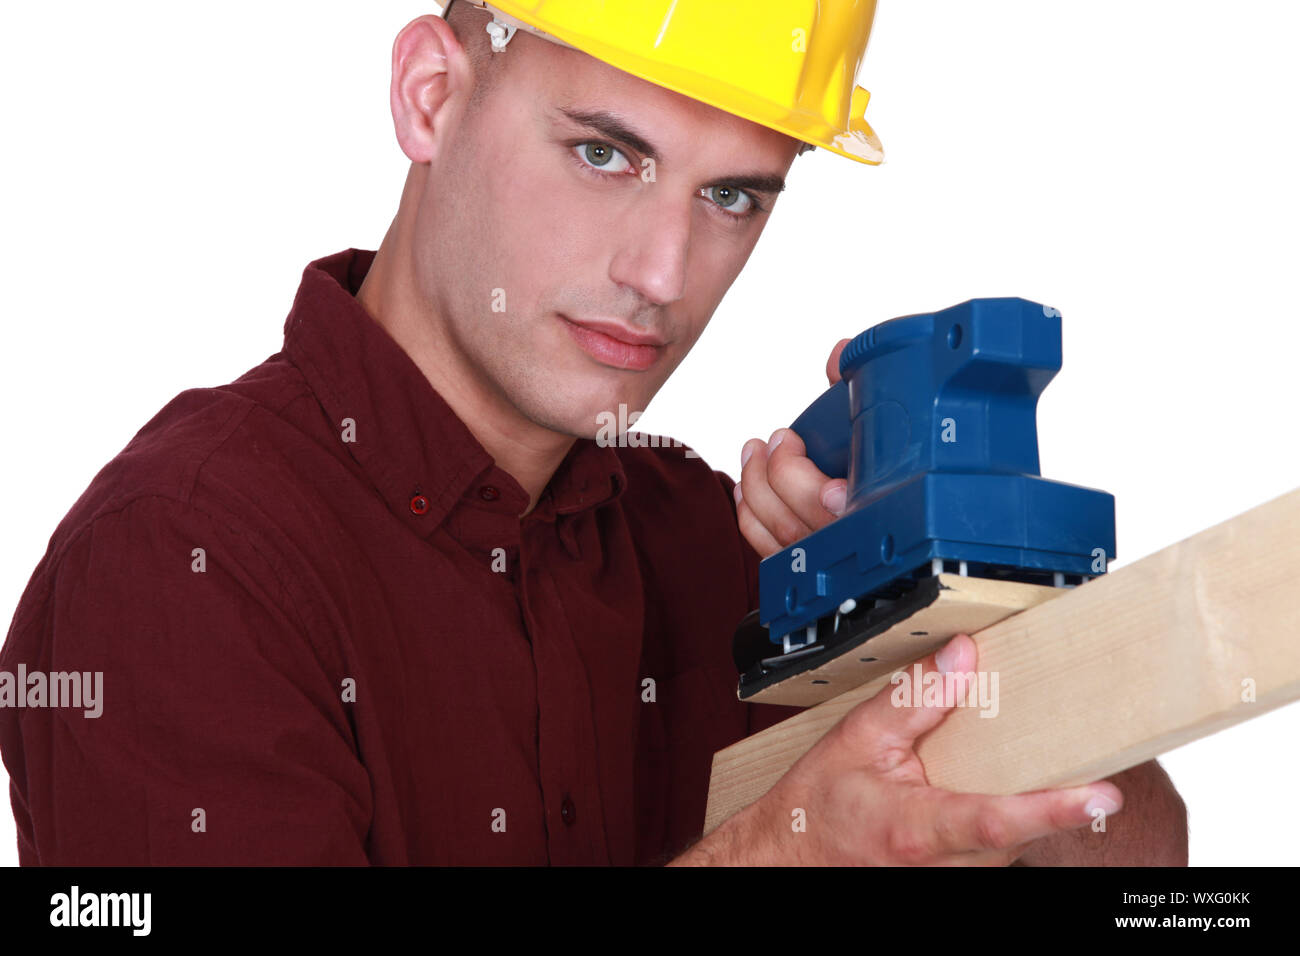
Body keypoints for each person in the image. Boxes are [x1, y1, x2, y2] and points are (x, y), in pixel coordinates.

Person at [0, 1, 1186, 865]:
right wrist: (785, 852)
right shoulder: (180, 562)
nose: (660, 274)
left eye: (731, 195)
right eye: (603, 153)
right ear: (430, 94)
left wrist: (932, 617)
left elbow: (1145, 873)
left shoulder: (710, 541)